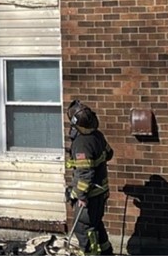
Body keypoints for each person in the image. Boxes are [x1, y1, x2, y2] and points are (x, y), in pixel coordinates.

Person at [65, 100, 114, 255]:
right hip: (101, 192)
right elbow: (109, 154)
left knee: (84, 229)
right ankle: (106, 252)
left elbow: (85, 173)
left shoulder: (81, 143)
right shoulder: (98, 135)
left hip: (90, 196)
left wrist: (81, 196)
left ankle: (90, 253)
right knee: (96, 224)